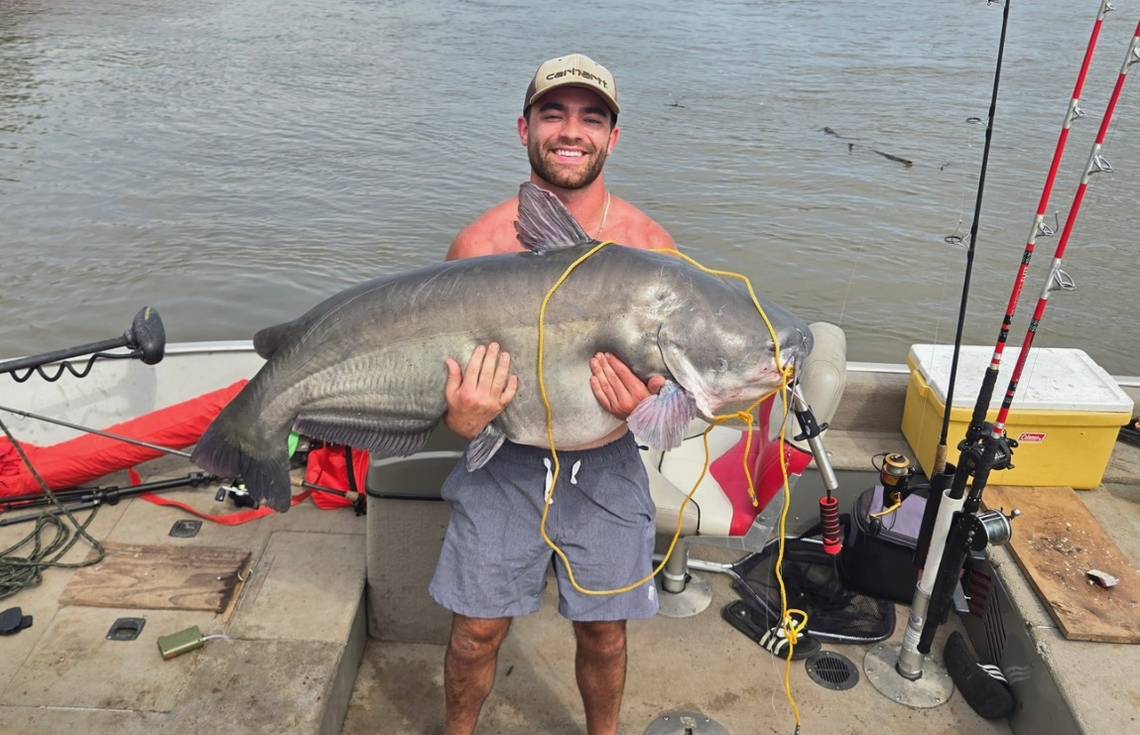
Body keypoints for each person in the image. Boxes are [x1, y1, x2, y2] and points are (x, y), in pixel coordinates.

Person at [428, 53, 677, 735]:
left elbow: (674, 401)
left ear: (613, 138)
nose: (572, 131)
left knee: (605, 634)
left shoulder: (651, 249)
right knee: (476, 630)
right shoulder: (478, 246)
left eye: (591, 118)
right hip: (503, 459)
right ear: (525, 127)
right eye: (554, 114)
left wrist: (644, 408)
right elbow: (444, 380)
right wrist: (461, 415)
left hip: (606, 464)